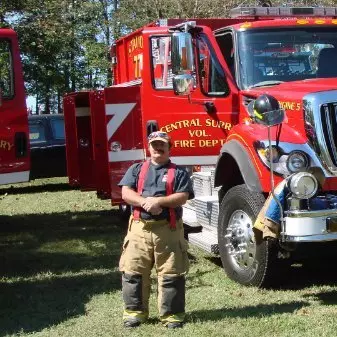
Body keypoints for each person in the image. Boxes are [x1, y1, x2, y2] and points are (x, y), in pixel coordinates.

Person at [118, 131, 194, 329]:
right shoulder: (136, 169)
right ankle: (134, 313)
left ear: (169, 148)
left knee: (172, 273)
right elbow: (125, 192)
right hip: (139, 229)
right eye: (154, 145)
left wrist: (159, 202)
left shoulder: (179, 173)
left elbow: (183, 196)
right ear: (148, 147)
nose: (158, 148)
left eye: (162, 145)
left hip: (167, 230)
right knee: (133, 271)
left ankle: (172, 316)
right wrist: (145, 202)